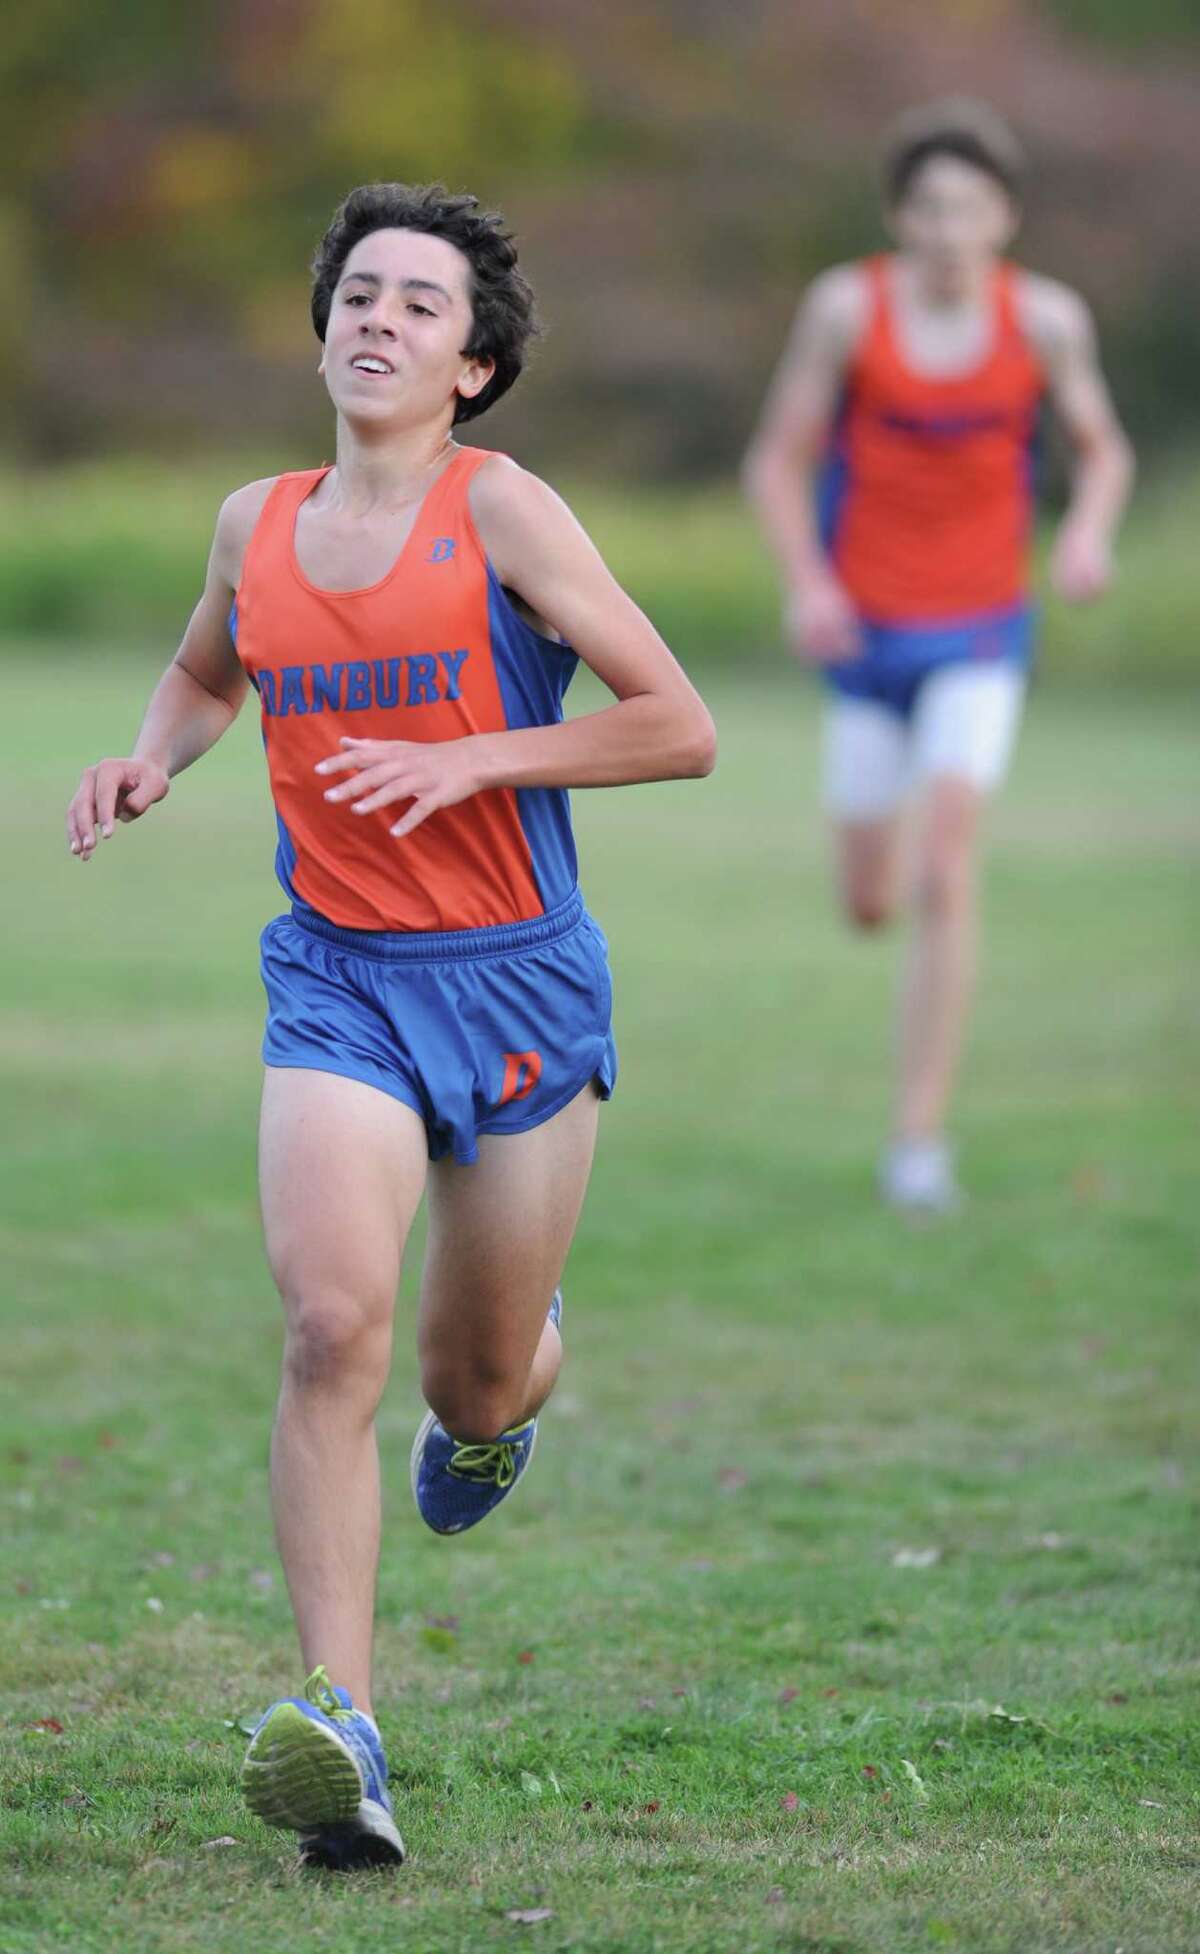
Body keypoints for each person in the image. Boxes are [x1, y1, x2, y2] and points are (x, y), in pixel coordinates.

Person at [65, 182, 716, 1870]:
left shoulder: (504, 513)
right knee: (330, 1324)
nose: (379, 318)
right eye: (360, 291)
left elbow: (677, 721)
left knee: (465, 1369)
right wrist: (157, 753)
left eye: (421, 305)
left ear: (475, 368)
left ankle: (510, 1389)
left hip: (516, 982)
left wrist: (476, 756)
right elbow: (217, 672)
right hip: (338, 974)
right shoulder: (251, 522)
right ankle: (340, 1721)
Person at [744, 98, 1133, 1212]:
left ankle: (918, 1143)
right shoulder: (846, 312)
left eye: (970, 208)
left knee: (945, 866)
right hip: (863, 632)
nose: (950, 229)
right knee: (871, 898)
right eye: (929, 209)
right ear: (898, 219)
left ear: (1004, 217)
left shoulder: (1048, 323)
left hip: (980, 627)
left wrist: (1089, 535)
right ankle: (879, 894)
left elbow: (1102, 452)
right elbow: (777, 462)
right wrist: (807, 583)